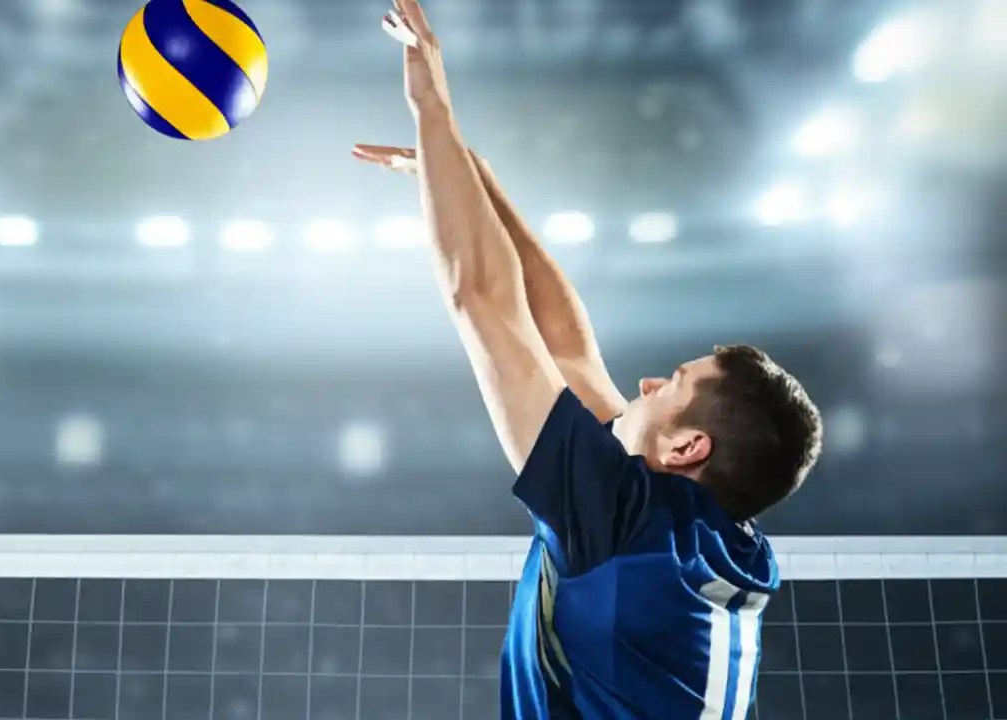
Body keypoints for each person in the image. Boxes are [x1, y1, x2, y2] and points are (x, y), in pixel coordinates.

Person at [353, 2, 824, 718]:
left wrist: (431, 104)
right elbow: (568, 345)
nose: (644, 383)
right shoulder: (716, 537)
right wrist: (467, 173)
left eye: (673, 384)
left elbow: (480, 295)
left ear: (688, 445)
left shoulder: (621, 528)